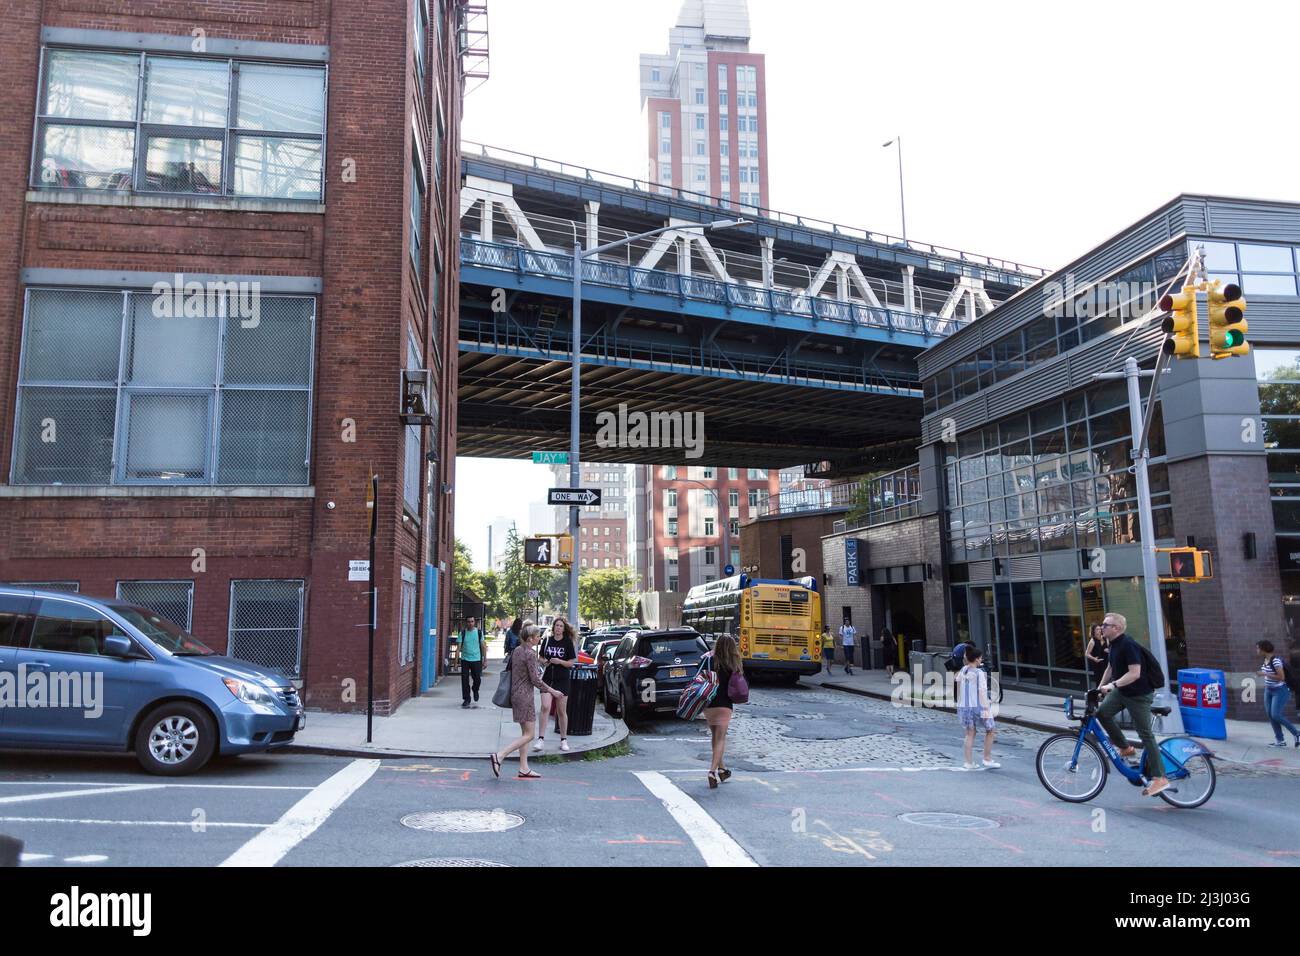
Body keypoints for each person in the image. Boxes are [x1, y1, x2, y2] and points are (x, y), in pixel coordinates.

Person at [1096, 612, 1170, 797]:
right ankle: (1125, 748)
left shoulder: (1128, 645)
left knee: (1145, 734)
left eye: (1106, 625)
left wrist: (1111, 685)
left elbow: (1135, 673)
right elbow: (1110, 667)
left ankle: (1160, 778)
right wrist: (1099, 688)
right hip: (1122, 691)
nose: (1102, 627)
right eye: (1103, 624)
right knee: (1102, 713)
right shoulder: (1112, 645)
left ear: (1117, 628)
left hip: (1139, 694)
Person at [491, 623, 562, 779]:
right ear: (530, 638)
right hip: (525, 697)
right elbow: (535, 680)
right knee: (529, 735)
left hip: (516, 694)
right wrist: (553, 691)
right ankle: (500, 756)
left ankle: (524, 768)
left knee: (525, 733)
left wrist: (540, 665)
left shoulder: (517, 650)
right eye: (537, 636)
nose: (539, 638)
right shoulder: (530, 654)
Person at [705, 634, 742, 789]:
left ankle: (722, 770)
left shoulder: (709, 660)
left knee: (715, 737)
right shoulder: (734, 663)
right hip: (724, 705)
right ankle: (712, 771)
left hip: (708, 703)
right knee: (720, 739)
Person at [534, 616, 577, 752]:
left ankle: (563, 740)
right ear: (553, 627)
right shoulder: (547, 640)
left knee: (561, 711)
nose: (558, 628)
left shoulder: (567, 643)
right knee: (545, 707)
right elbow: (540, 657)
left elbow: (571, 662)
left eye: (560, 626)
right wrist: (545, 661)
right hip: (547, 678)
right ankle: (540, 739)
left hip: (562, 679)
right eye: (556, 626)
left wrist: (560, 661)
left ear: (564, 629)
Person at [956, 644, 999, 769]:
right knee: (990, 730)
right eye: (980, 658)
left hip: (964, 706)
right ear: (976, 659)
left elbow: (958, 683)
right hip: (978, 706)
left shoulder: (964, 669)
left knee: (970, 733)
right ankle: (987, 758)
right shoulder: (979, 673)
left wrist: (959, 701)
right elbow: (982, 692)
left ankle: (968, 762)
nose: (981, 660)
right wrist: (986, 708)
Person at [1258, 640, 1300, 748]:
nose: (1257, 650)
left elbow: (1281, 677)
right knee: (1270, 715)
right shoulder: (1265, 660)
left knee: (1276, 714)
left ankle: (1297, 733)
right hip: (1269, 690)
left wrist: (1264, 673)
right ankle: (1280, 740)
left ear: (1263, 649)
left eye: (1258, 648)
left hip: (1280, 691)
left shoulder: (1275, 661)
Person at [459, 616, 486, 709]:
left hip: (476, 659)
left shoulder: (479, 633)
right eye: (468, 621)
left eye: (472, 621)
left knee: (477, 679)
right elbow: (458, 648)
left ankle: (475, 689)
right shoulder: (462, 633)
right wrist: (455, 662)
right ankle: (467, 699)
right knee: (464, 680)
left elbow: (483, 646)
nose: (470, 623)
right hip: (465, 659)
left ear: (474, 622)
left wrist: (484, 660)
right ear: (466, 623)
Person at [1084, 623, 1108, 689]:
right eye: (1097, 629)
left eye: (1100, 629)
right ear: (1093, 631)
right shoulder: (1092, 641)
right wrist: (1094, 659)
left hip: (1106, 662)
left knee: (1108, 681)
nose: (1099, 630)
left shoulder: (1104, 637)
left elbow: (1107, 648)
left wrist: (1107, 650)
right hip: (1098, 664)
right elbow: (1087, 653)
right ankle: (1099, 696)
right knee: (1100, 681)